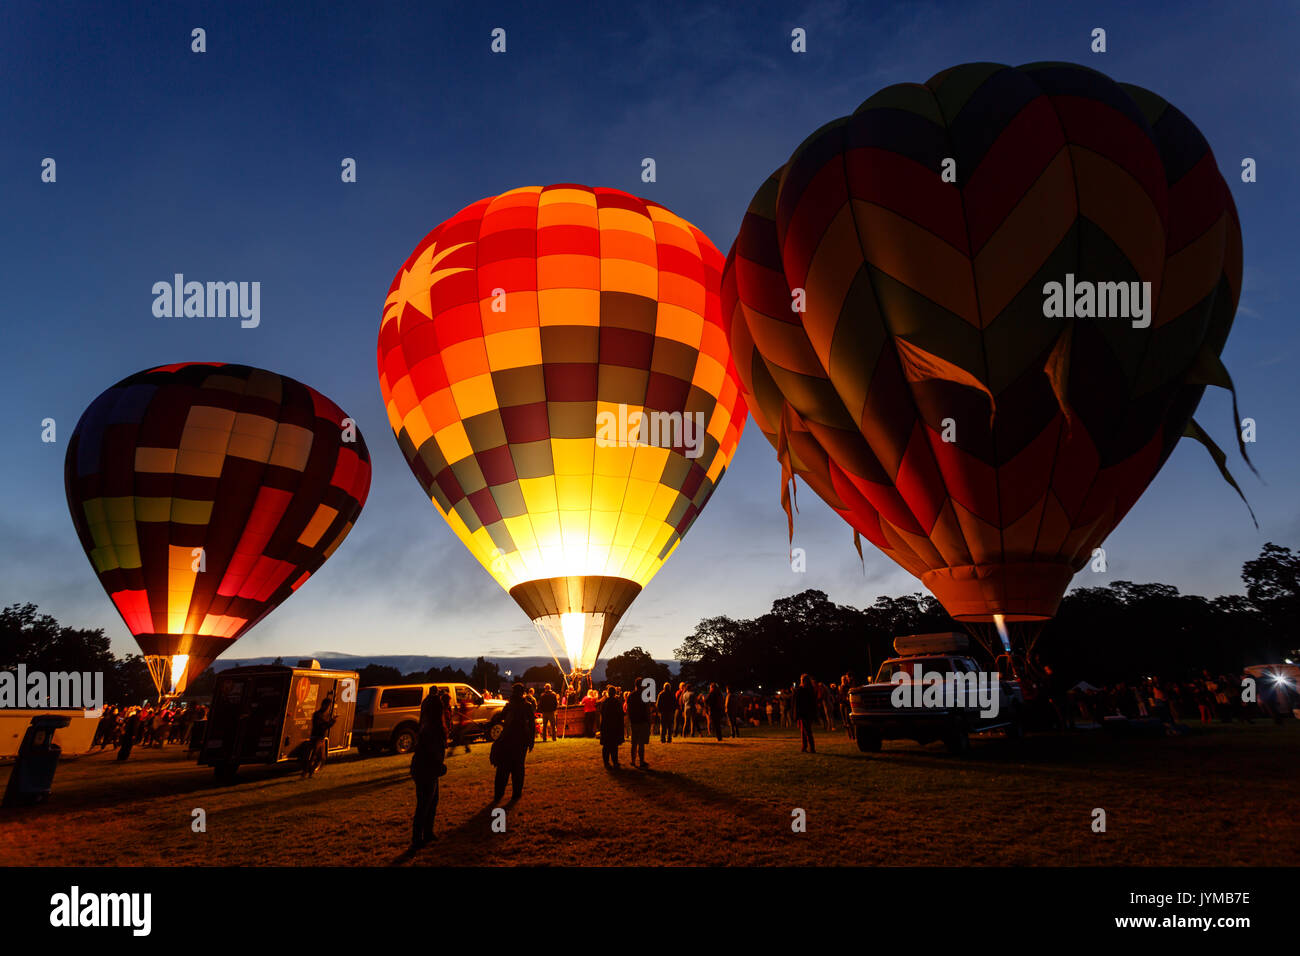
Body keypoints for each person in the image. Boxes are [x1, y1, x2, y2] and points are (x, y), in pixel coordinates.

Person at [409, 690, 447, 848]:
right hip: (426, 769)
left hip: (424, 768)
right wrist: (439, 765)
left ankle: (428, 833)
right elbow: (431, 750)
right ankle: (417, 839)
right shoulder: (433, 727)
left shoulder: (427, 724)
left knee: (432, 802)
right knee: (424, 803)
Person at [489, 684, 536, 802]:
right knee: (517, 769)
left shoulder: (517, 706)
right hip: (519, 741)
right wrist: (531, 741)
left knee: (505, 769)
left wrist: (531, 741)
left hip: (512, 740)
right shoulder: (520, 706)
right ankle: (514, 794)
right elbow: (531, 725)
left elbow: (531, 724)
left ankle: (501, 795)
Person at [302, 691, 336, 778]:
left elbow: (327, 725)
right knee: (313, 756)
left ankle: (310, 772)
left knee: (322, 758)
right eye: (328, 706)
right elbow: (323, 726)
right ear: (324, 705)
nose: (329, 708)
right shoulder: (318, 715)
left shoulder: (325, 715)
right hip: (316, 738)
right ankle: (306, 772)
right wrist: (332, 721)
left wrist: (332, 721)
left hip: (322, 738)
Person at [626, 678, 651, 768]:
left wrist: (630, 719)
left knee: (634, 743)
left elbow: (628, 709)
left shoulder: (631, 695)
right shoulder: (644, 695)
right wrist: (649, 721)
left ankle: (633, 761)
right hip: (642, 721)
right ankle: (641, 761)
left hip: (634, 721)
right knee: (641, 743)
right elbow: (647, 710)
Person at [600, 686, 625, 769]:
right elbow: (620, 715)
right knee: (614, 746)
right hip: (614, 726)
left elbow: (602, 714)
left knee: (606, 746)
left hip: (606, 726)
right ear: (614, 693)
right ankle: (614, 762)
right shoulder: (616, 702)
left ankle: (606, 762)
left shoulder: (605, 702)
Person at [794, 674, 818, 753]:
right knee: (804, 731)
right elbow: (814, 702)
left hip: (803, 713)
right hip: (809, 713)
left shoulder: (801, 690)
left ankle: (812, 748)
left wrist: (796, 715)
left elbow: (797, 704)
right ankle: (804, 747)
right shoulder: (811, 690)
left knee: (807, 731)